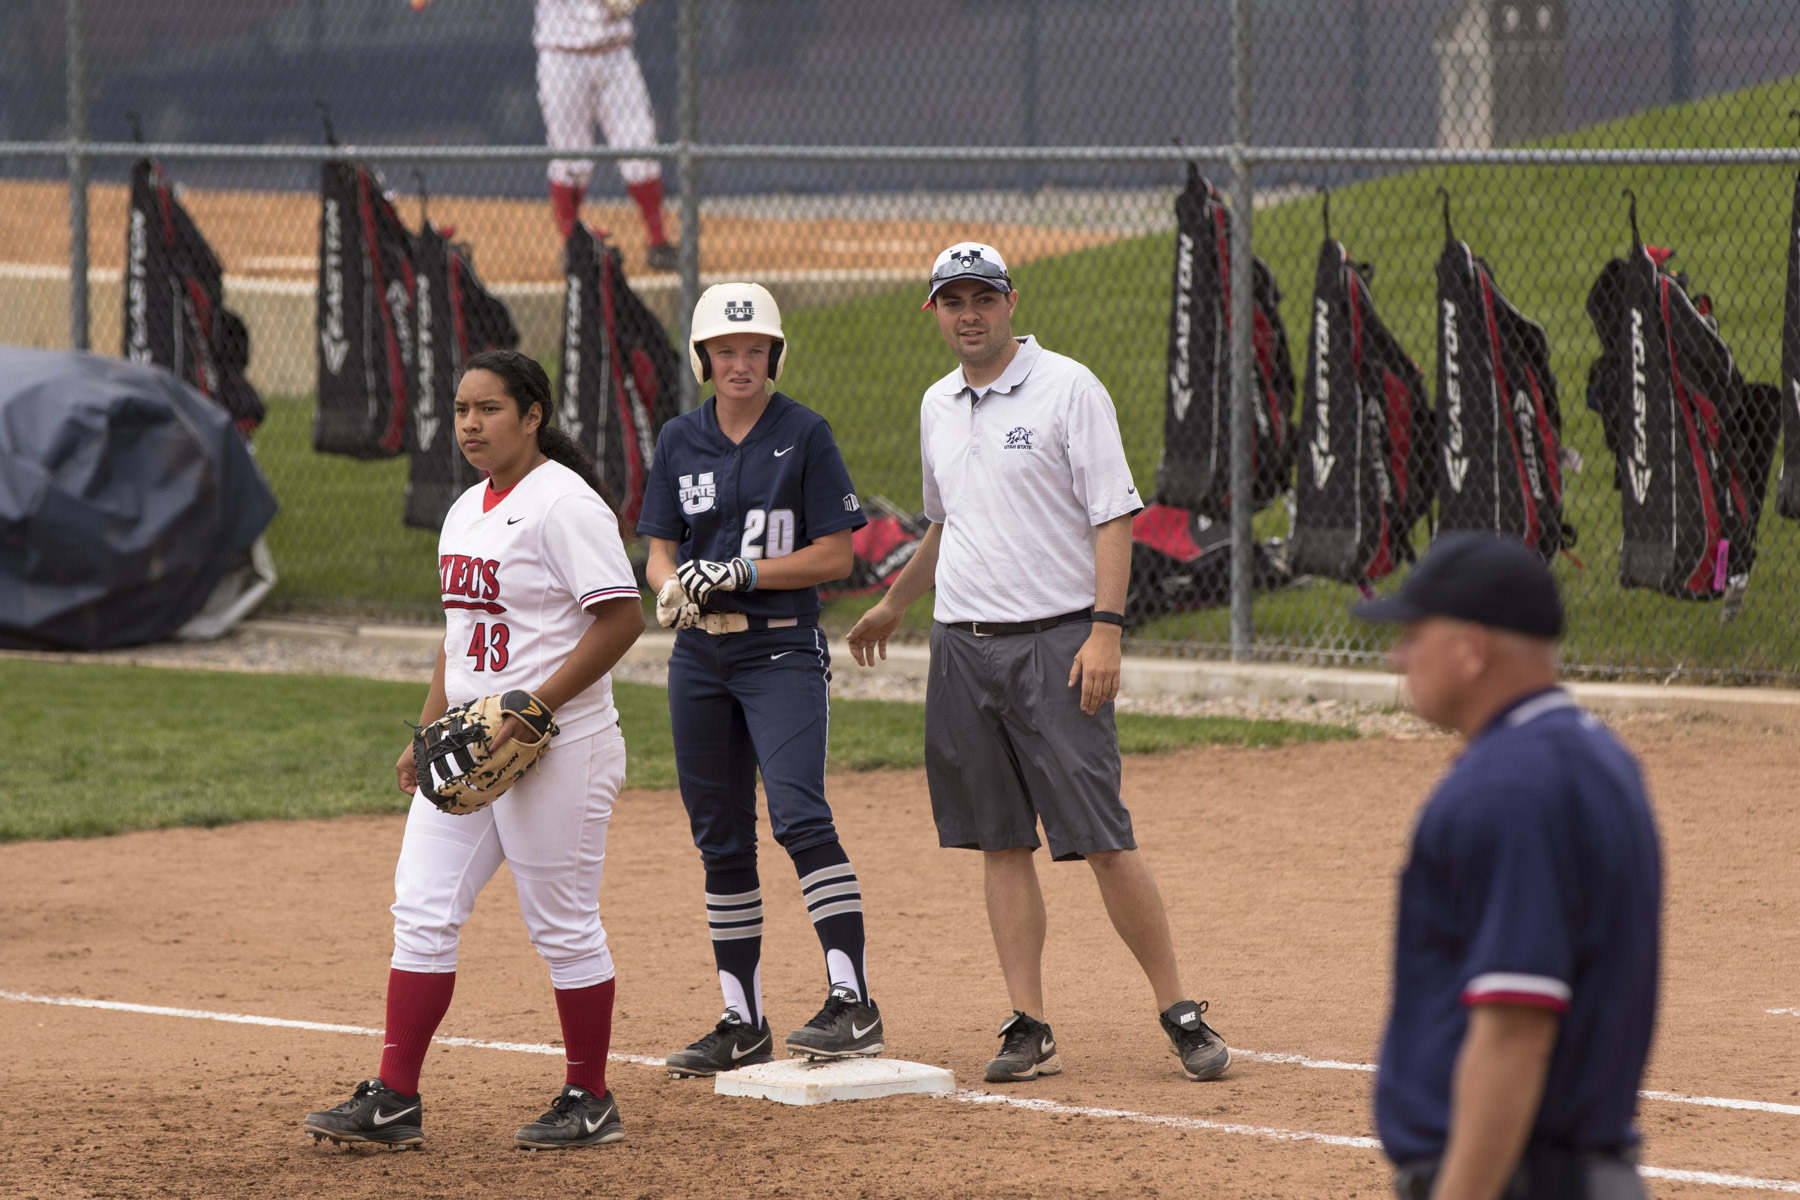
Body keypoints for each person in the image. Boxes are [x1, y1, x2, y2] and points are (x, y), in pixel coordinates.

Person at [845, 242, 1231, 1085]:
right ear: (934, 313)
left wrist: (1106, 630)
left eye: (983, 296)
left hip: (1056, 643)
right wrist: (896, 602)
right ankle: (1030, 1023)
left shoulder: (1068, 387)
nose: (969, 313)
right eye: (953, 300)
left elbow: (1114, 517)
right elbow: (946, 524)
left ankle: (1179, 1008)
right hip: (961, 645)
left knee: (1101, 837)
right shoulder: (937, 404)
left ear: (1011, 302)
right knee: (1000, 842)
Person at [302, 349, 646, 1151]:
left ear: (533, 416)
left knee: (561, 924)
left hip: (562, 746)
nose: (469, 424)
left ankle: (590, 1098)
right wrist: (426, 732)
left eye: (489, 409)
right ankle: (393, 1097)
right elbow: (456, 637)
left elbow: (622, 618)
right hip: (467, 745)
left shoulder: (565, 506)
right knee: (421, 910)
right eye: (461, 410)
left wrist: (536, 708)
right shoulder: (465, 508)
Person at [1353, 533, 1661, 1200]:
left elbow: (1516, 1030)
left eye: (1414, 635)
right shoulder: (1597, 757)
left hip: (1520, 1180)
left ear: (1471, 648)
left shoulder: (1508, 786)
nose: (1397, 656)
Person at [635, 282, 882, 1076]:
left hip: (779, 648)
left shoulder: (803, 433)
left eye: (754, 350)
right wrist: (667, 585)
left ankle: (853, 1003)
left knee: (801, 816)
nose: (740, 363)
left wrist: (746, 569)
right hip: (698, 659)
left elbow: (838, 555)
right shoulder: (679, 437)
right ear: (704, 358)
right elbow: (659, 548)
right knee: (720, 839)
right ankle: (741, 1019)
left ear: (773, 356)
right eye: (725, 350)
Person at [412, 0, 677, 270]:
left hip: (616, 54)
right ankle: (573, 245)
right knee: (571, 156)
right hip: (563, 57)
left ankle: (658, 241)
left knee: (640, 147)